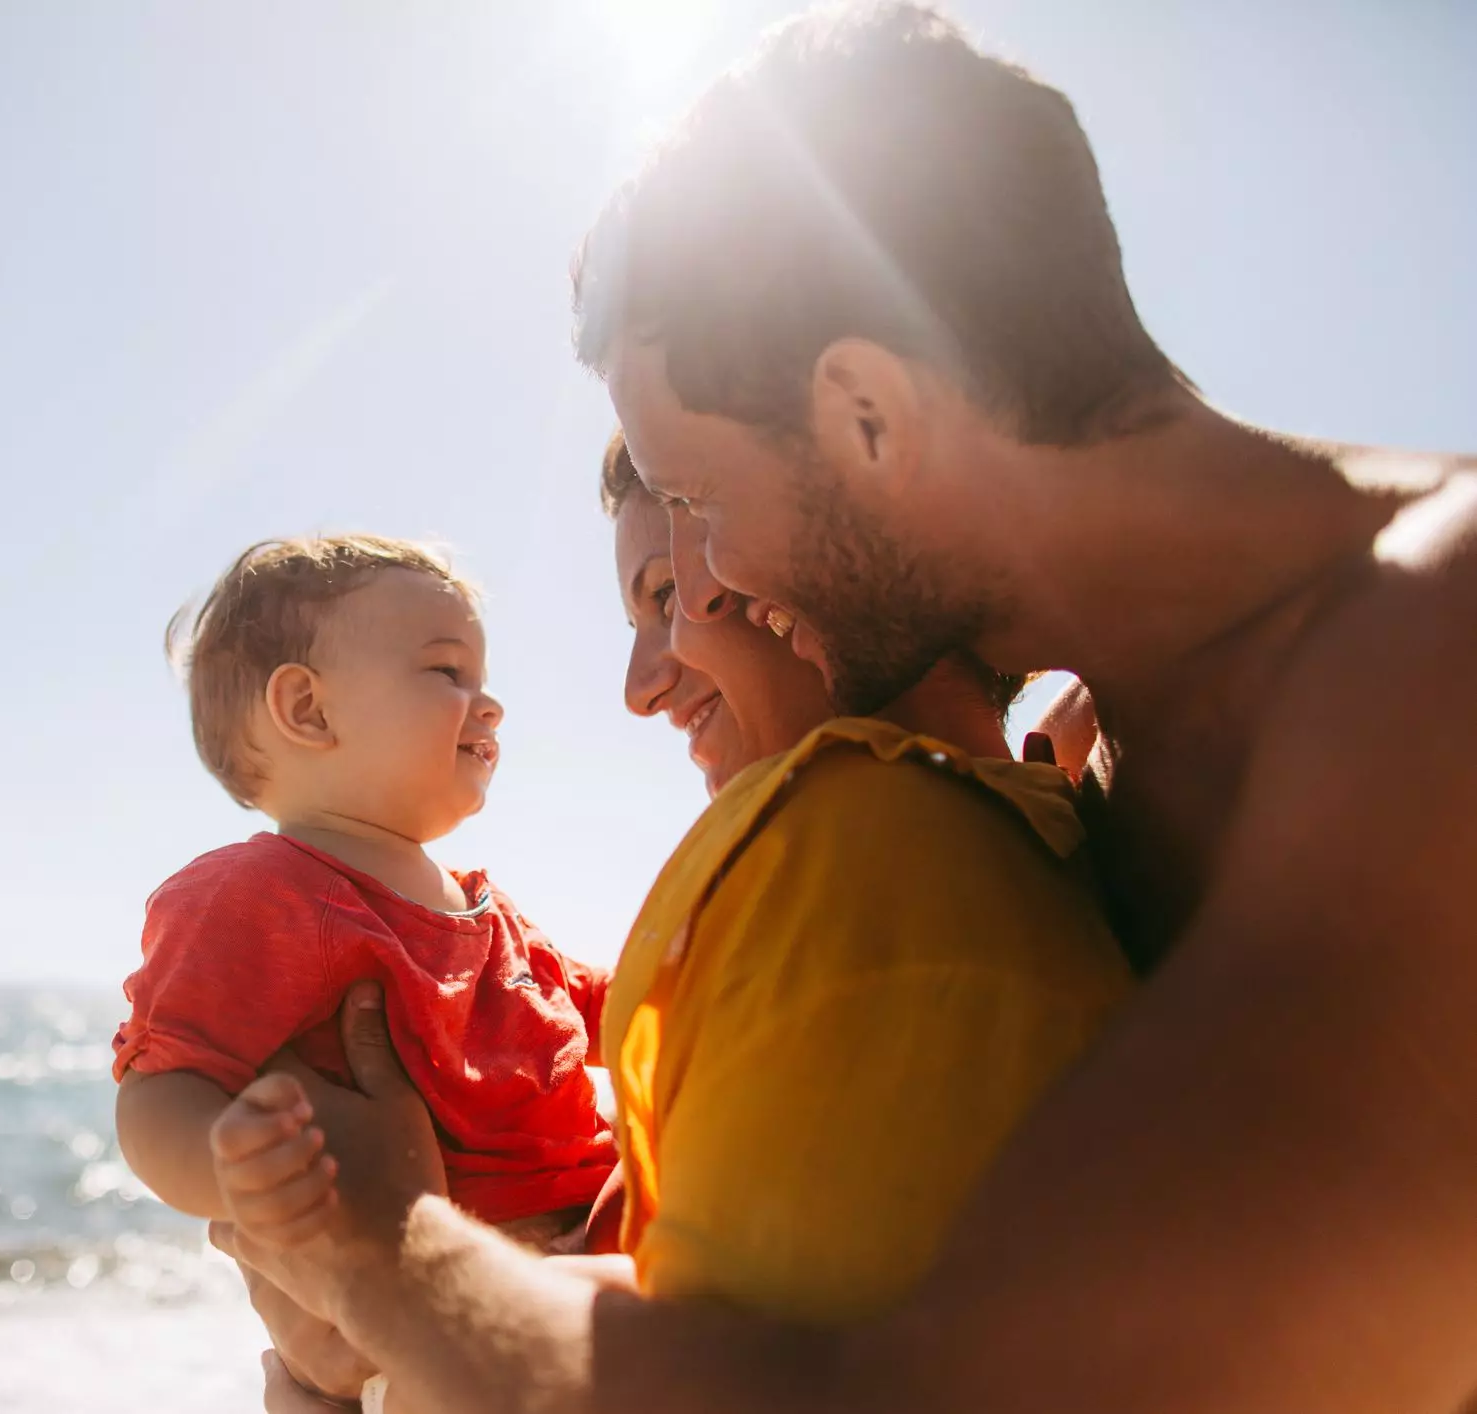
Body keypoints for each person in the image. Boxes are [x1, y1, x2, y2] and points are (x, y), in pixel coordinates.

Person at [214, 5, 1477, 1412]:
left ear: (868, 414)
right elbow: (972, 1292)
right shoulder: (1094, 757)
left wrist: (382, 1250)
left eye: (699, 497)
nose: (714, 580)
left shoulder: (1435, 661)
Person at [216, 437, 1131, 1407]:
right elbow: (735, 1305)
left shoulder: (856, 859)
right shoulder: (1013, 826)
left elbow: (733, 1385)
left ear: (811, 547)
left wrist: (377, 1263)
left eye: (669, 594)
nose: (640, 687)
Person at [109, 537, 615, 1390]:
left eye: (482, 677)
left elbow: (610, 1007)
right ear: (307, 710)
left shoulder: (480, 906)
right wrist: (230, 1169)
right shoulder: (260, 893)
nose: (487, 705)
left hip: (564, 1264)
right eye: (446, 672)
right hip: (420, 1319)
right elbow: (158, 1087)